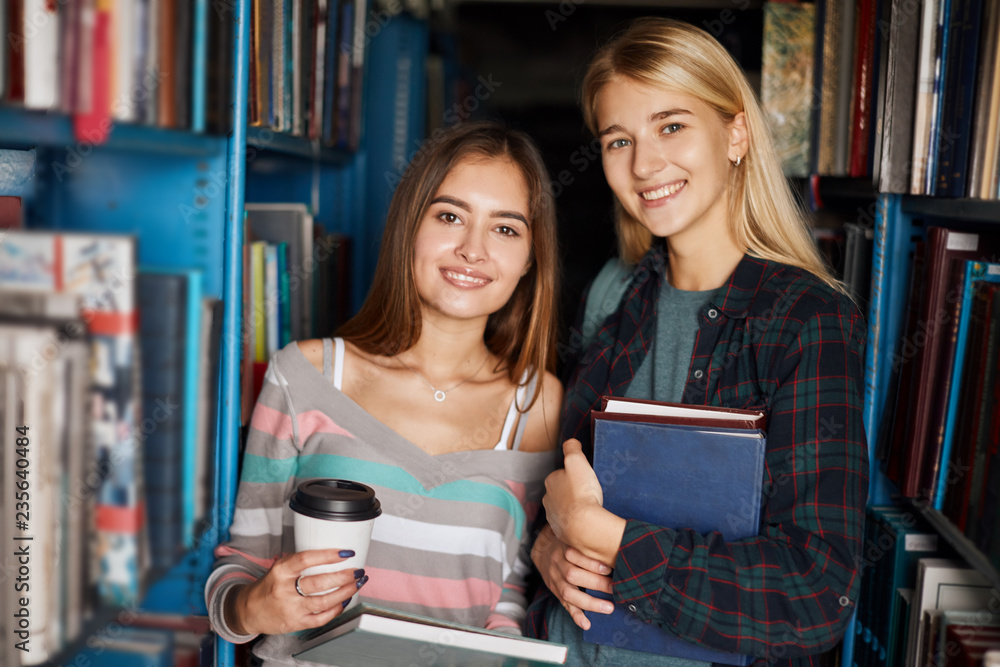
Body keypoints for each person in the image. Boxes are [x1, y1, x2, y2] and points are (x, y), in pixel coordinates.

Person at [526, 17, 869, 667]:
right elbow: (555, 488)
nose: (644, 164)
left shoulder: (806, 318)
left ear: (736, 132)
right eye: (617, 139)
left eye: (672, 125)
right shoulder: (612, 292)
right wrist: (548, 546)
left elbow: (817, 592)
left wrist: (610, 541)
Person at [206, 120, 564, 666]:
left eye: (505, 229)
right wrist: (255, 608)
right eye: (450, 216)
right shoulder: (304, 375)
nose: (473, 249)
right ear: (409, 227)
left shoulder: (538, 402)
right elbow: (240, 568)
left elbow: (506, 593)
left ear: (531, 258)